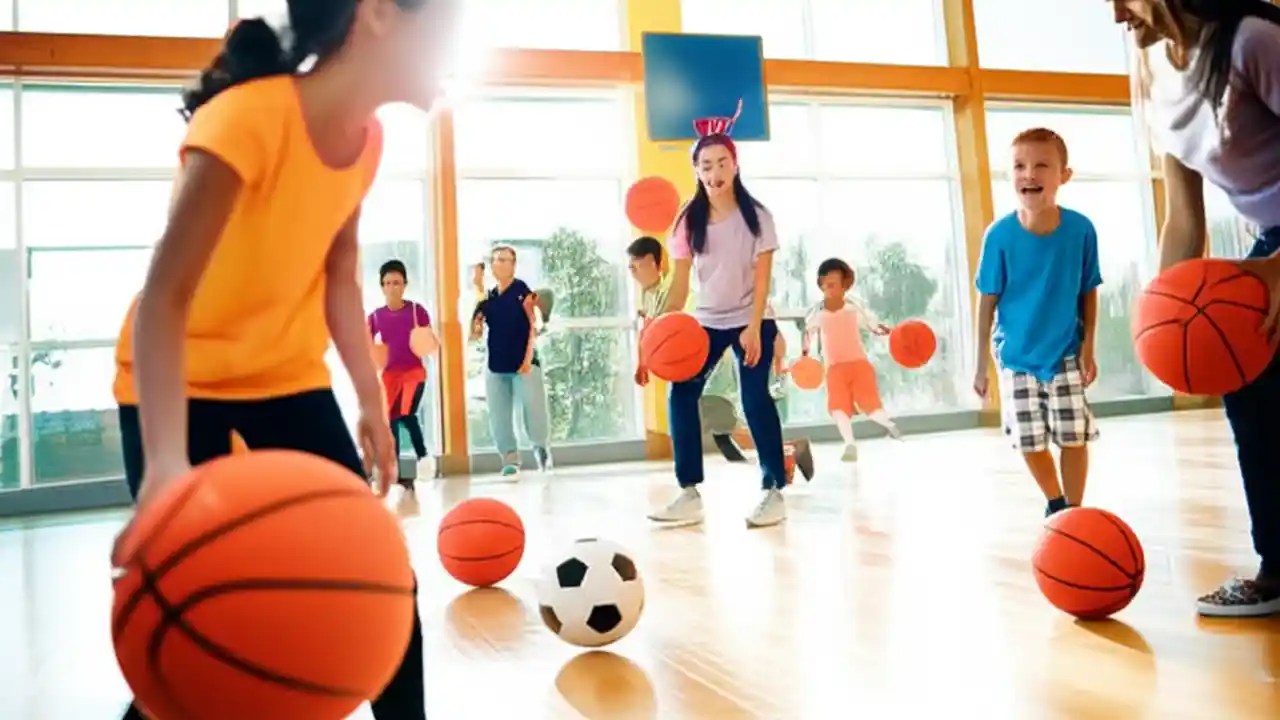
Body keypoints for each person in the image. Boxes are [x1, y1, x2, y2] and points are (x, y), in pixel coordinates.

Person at [107, 1, 459, 717]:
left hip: (287, 381)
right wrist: (168, 465)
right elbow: (166, 296)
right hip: (178, 380)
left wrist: (370, 402)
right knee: (197, 604)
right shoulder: (246, 120)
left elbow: (340, 277)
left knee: (381, 581)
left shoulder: (367, 140)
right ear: (379, 14)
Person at [1109, 0, 1280, 617]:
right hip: (1269, 240)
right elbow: (1184, 218)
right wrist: (1161, 313)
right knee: (1252, 390)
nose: (1116, 15)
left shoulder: (1254, 42)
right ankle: (1278, 566)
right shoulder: (1155, 70)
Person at [647, 118, 789, 529]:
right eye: (706, 165)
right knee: (681, 393)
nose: (715, 172)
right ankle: (689, 492)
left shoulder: (757, 216)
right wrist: (656, 333)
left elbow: (763, 279)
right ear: (697, 171)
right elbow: (679, 287)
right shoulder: (687, 222)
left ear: (735, 165)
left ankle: (773, 490)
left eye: (722, 163)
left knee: (754, 398)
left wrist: (755, 326)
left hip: (752, 318)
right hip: (707, 322)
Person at [973, 128, 1102, 520]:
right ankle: (1056, 502)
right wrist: (980, 364)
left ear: (1064, 175)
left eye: (1042, 165)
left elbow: (1088, 290)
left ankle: (1074, 513)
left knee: (1073, 435)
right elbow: (986, 302)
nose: (1029, 173)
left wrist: (1089, 346)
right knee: (1029, 440)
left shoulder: (1081, 230)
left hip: (1065, 351)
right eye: (1019, 166)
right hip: (1015, 356)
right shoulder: (998, 236)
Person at [628, 236, 815, 481]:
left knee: (731, 423)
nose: (634, 272)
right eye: (631, 267)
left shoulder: (680, 292)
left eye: (639, 265)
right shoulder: (649, 294)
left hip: (715, 368)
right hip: (704, 368)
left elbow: (697, 332)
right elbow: (651, 333)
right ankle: (786, 454)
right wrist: (643, 362)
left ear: (657, 263)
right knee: (726, 431)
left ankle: (781, 461)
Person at [802, 258, 902, 463]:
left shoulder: (853, 309)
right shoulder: (817, 314)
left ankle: (890, 426)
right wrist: (804, 355)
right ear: (821, 285)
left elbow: (872, 325)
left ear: (845, 285)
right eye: (826, 284)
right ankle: (850, 445)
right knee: (838, 409)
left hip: (859, 366)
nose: (830, 289)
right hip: (834, 369)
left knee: (871, 408)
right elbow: (808, 334)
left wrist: (884, 331)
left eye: (835, 284)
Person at [470, 244, 552, 478]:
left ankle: (541, 449)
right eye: (495, 260)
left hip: (524, 363)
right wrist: (477, 287)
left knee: (533, 409)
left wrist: (527, 359)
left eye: (504, 260)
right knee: (499, 415)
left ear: (513, 265)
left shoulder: (522, 292)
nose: (499, 264)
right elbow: (475, 330)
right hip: (496, 363)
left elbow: (534, 327)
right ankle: (509, 458)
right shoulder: (489, 297)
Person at [368, 259, 435, 488]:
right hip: (390, 376)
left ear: (405, 285)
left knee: (406, 413)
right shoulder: (375, 317)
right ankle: (394, 471)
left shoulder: (417, 311)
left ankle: (423, 457)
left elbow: (427, 340)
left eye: (396, 282)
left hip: (414, 373)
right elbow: (366, 345)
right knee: (391, 421)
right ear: (382, 287)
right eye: (387, 283)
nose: (392, 288)